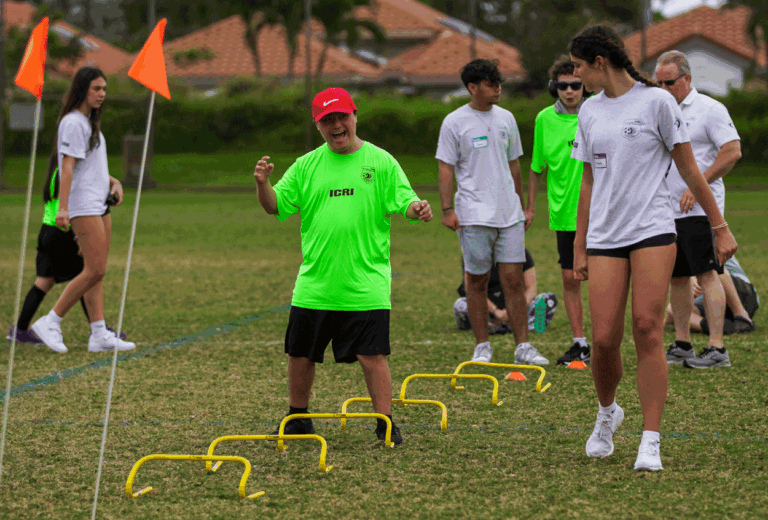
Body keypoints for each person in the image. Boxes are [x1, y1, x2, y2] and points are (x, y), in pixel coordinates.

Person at [568, 26, 737, 471]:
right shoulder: (589, 111)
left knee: (647, 327)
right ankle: (607, 414)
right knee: (603, 339)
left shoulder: (657, 102)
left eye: (579, 66)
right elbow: (587, 180)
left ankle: (650, 439)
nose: (575, 74)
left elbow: (690, 168)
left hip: (653, 230)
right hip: (605, 237)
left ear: (600, 62)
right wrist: (580, 245)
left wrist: (719, 226)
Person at [253, 87, 432, 446]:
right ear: (319, 125)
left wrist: (418, 209)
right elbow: (276, 207)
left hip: (365, 282)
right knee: (301, 353)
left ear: (354, 116)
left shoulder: (381, 161)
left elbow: (406, 202)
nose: (336, 125)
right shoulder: (307, 165)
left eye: (342, 117)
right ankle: (298, 418)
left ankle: (385, 423)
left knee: (372, 355)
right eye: (327, 120)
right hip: (315, 282)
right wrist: (263, 184)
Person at [437, 58, 549, 366]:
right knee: (477, 281)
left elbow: (514, 165)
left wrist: (524, 206)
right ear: (473, 87)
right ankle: (482, 346)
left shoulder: (507, 119)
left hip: (509, 215)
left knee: (513, 280)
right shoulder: (454, 122)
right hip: (473, 215)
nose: (497, 87)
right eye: (490, 83)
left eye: (498, 82)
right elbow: (445, 169)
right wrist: (447, 209)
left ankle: (523, 347)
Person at [30, 67, 135, 354]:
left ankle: (99, 333)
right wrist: (62, 209)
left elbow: (91, 166)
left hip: (99, 203)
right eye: (96, 89)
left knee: (97, 271)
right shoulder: (74, 123)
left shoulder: (89, 123)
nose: (102, 94)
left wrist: (114, 182)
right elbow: (67, 168)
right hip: (83, 205)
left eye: (104, 89)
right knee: (95, 269)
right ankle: (50, 321)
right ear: (82, 89)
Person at [654, 51, 742, 369]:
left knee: (707, 274)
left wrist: (697, 185)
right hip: (666, 211)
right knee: (677, 277)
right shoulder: (658, 110)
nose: (663, 88)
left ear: (687, 79)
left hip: (701, 211)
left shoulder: (709, 109)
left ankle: (717, 348)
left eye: (670, 82)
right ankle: (682, 344)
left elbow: (732, 151)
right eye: (658, 83)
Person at [7, 169, 128, 346]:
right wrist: (80, 236)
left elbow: (97, 175)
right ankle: (98, 330)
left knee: (44, 281)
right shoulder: (69, 172)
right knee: (87, 276)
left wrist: (115, 181)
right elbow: (75, 200)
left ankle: (19, 330)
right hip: (64, 231)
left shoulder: (58, 171)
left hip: (48, 231)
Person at [524, 55, 591, 365]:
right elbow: (536, 168)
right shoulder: (543, 120)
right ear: (555, 87)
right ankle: (580, 342)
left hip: (599, 214)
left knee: (606, 279)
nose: (569, 91)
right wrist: (531, 209)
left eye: (575, 85)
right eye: (563, 86)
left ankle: (605, 341)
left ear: (584, 86)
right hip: (563, 215)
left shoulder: (596, 114)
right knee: (570, 279)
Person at [453, 249, 558, 334]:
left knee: (548, 299)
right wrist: (495, 311)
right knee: (461, 305)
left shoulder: (520, 251)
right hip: (486, 308)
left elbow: (531, 289)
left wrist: (512, 311)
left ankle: (518, 325)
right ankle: (493, 324)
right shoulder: (472, 253)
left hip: (516, 306)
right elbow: (472, 289)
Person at [664, 255, 758, 337]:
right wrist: (667, 321)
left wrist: (690, 276)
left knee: (712, 267)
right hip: (713, 300)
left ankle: (742, 317)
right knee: (672, 308)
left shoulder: (698, 236)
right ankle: (713, 327)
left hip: (739, 292)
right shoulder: (674, 247)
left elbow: (716, 266)